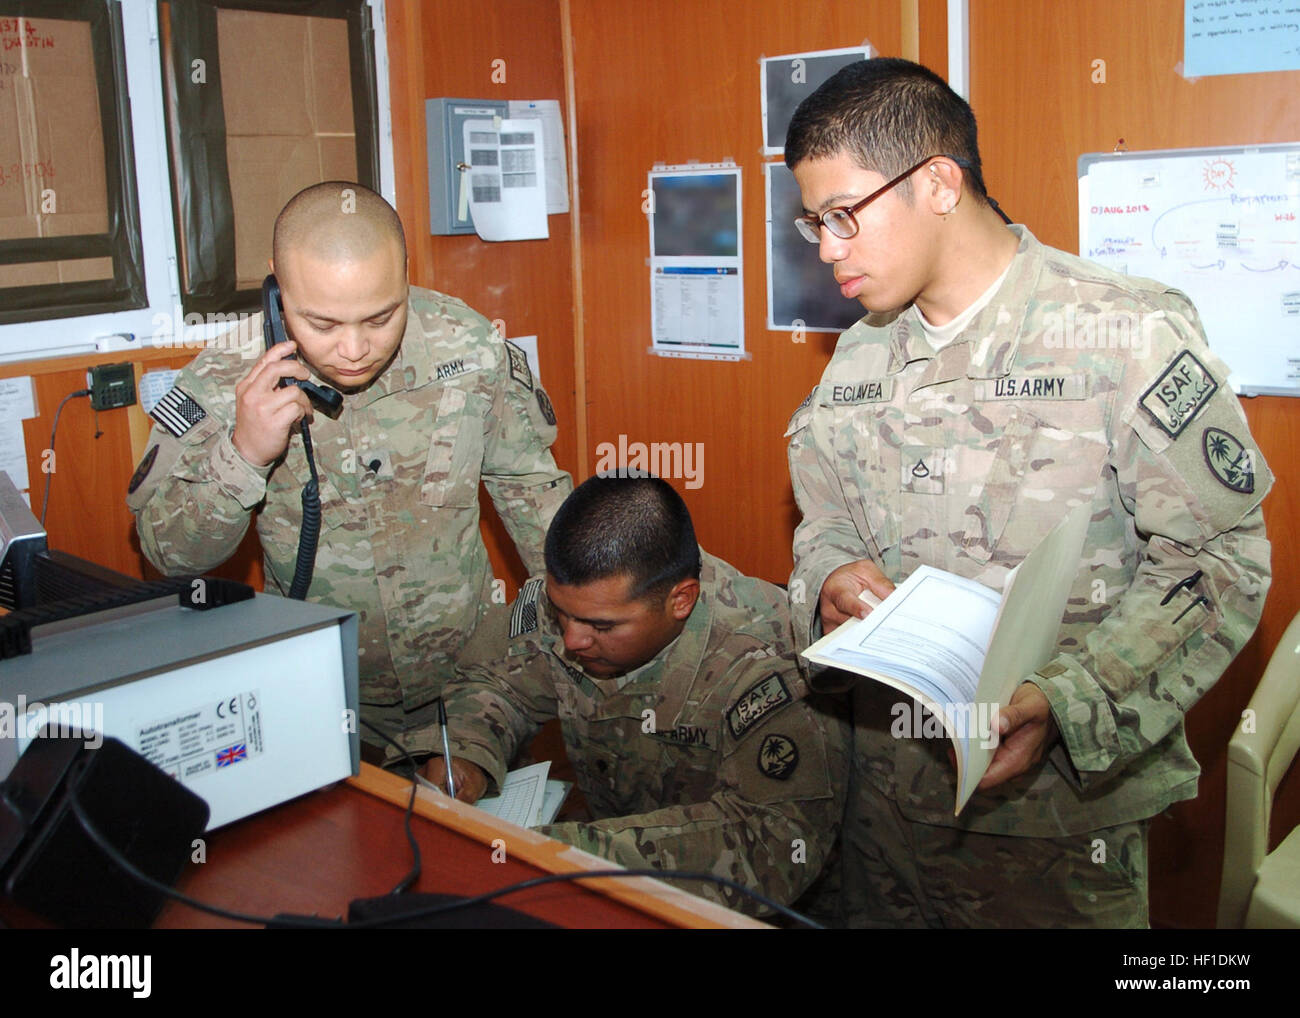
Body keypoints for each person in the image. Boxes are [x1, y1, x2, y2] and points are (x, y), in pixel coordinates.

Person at [782, 58, 1272, 927]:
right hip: (882, 806)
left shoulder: (1124, 331)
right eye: (813, 222)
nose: (826, 249)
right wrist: (829, 572)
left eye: (843, 216)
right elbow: (822, 519)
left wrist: (1068, 701)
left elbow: (1222, 562)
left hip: (1053, 827)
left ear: (937, 182)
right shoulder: (859, 358)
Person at [127, 181, 571, 756]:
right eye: (323, 324)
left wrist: (552, 648)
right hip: (323, 697)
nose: (356, 348)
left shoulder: (470, 346)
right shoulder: (220, 382)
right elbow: (169, 557)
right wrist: (243, 455)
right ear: (277, 288)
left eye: (381, 316)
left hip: (473, 690)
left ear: (407, 273)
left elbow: (536, 498)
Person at [425, 475, 849, 919]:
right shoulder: (584, 600)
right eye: (562, 614)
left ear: (680, 600)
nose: (571, 639)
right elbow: (495, 681)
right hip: (595, 890)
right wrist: (467, 755)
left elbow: (775, 841)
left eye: (601, 627)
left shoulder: (772, 660)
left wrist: (567, 852)